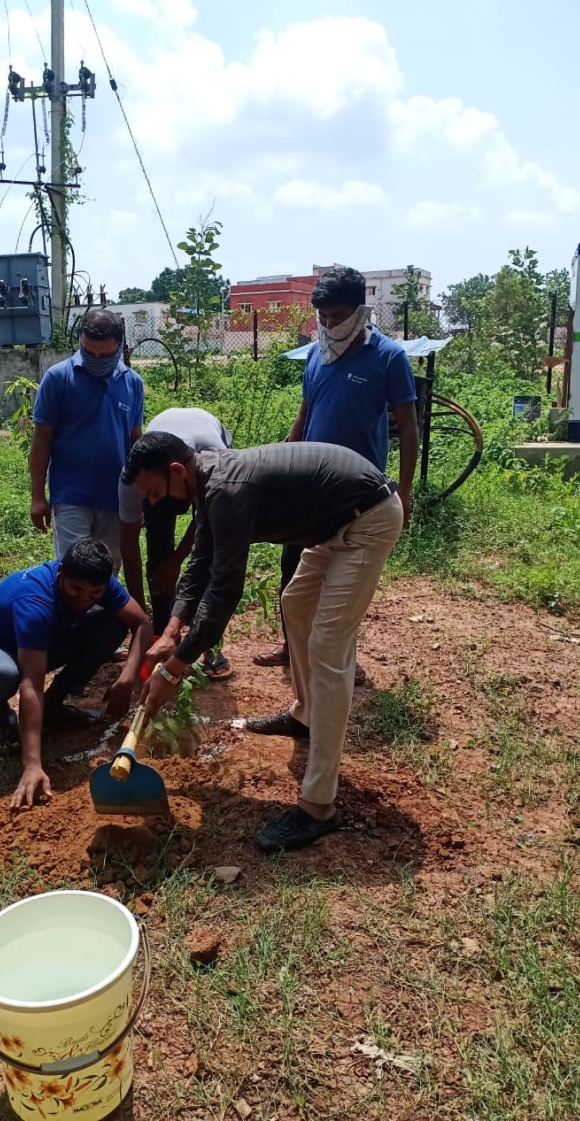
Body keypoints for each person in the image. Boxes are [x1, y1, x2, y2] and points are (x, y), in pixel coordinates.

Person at [124, 432, 403, 853]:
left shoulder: (226, 490)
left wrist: (174, 669)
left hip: (366, 519)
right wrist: (170, 631)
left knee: (328, 646)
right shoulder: (207, 482)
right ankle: (306, 713)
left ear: (177, 471)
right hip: (334, 523)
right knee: (295, 604)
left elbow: (223, 591)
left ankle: (318, 807)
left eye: (154, 491)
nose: (153, 504)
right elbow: (201, 560)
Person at [254, 266, 418, 671]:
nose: (329, 325)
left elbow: (409, 426)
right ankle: (292, 648)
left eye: (337, 316)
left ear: (360, 311)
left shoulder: (388, 357)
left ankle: (345, 658)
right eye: (322, 318)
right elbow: (306, 410)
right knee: (293, 567)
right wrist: (285, 456)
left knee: (342, 579)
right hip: (309, 484)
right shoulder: (316, 354)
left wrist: (406, 490)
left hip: (356, 492)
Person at [0, 539, 152, 810]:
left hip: (44, 641)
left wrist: (127, 678)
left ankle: (54, 705)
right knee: (2, 675)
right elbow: (31, 685)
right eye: (76, 591)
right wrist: (32, 765)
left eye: (94, 594)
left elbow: (142, 622)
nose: (84, 600)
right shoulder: (34, 602)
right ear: (61, 572)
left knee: (113, 623)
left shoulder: (98, 584)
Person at [119, 406, 233, 680]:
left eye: (154, 493)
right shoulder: (132, 484)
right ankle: (161, 637)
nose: (152, 502)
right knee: (157, 560)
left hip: (200, 452)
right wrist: (140, 619)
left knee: (212, 562)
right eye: (148, 495)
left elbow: (207, 534)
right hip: (166, 468)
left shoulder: (212, 464)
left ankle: (209, 646)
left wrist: (177, 561)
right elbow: (129, 546)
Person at [29, 309, 145, 571]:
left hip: (117, 497)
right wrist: (38, 496)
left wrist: (141, 494)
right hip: (71, 495)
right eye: (89, 352)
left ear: (119, 346)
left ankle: (102, 615)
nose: (96, 360)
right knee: (74, 571)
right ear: (81, 341)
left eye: (104, 355)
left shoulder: (132, 383)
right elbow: (41, 440)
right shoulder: (58, 379)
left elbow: (136, 441)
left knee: (109, 570)